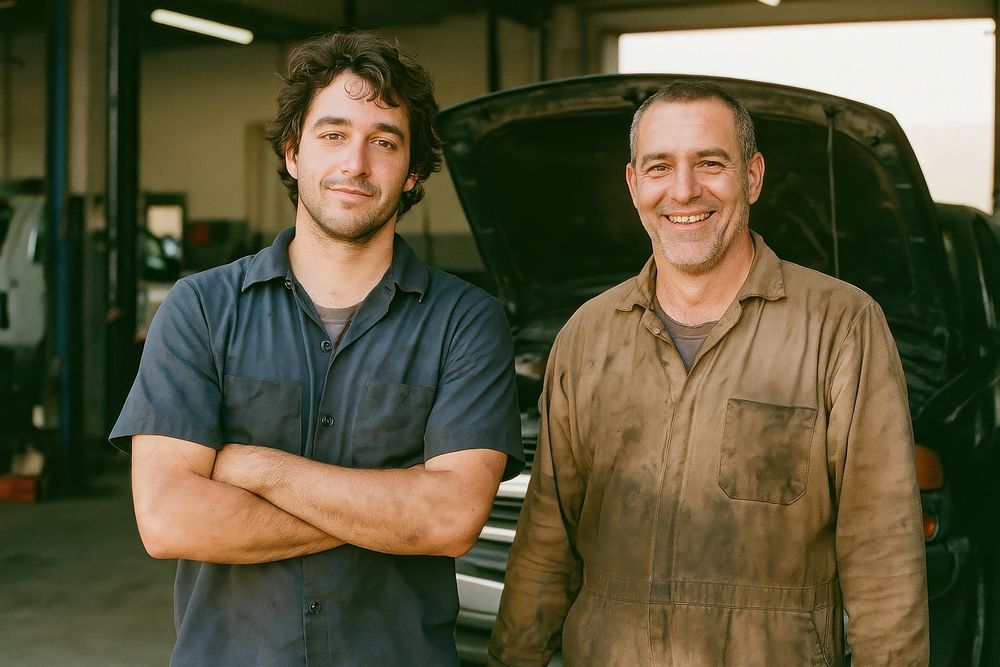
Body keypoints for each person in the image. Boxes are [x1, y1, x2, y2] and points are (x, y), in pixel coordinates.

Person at [111, 30, 523, 666]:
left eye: (383, 141)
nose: (355, 163)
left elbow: (448, 522)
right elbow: (170, 521)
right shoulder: (199, 309)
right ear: (293, 152)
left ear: (413, 172)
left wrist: (259, 471)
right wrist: (393, 509)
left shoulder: (467, 322)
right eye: (333, 134)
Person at [488, 81, 929, 665]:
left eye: (710, 163)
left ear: (752, 177)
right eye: (659, 167)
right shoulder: (587, 336)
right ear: (633, 184)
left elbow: (883, 548)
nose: (684, 190)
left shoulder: (840, 326)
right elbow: (547, 539)